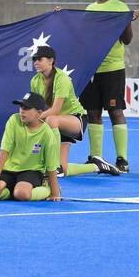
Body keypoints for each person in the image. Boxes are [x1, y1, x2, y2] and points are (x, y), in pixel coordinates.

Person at [79, 0, 136, 173]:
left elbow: (127, 40)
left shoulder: (120, 8)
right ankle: (96, 157)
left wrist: (126, 20)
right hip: (91, 69)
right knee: (92, 112)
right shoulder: (89, 9)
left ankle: (122, 159)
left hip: (112, 68)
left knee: (115, 111)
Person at [30, 44, 101, 177]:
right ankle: (96, 166)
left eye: (40, 59)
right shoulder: (35, 81)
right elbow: (37, 107)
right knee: (65, 170)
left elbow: (55, 110)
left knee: (50, 119)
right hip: (57, 124)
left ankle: (54, 166)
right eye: (34, 59)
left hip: (75, 119)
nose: (36, 62)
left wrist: (34, 118)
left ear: (51, 61)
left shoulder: (62, 79)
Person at [0, 92, 61, 202]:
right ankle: (12, 192)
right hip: (9, 170)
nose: (22, 110)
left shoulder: (47, 133)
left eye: (27, 108)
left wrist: (54, 192)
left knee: (22, 194)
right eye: (21, 106)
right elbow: (4, 150)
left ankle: (45, 189)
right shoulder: (13, 120)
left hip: (31, 171)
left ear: (39, 113)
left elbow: (51, 165)